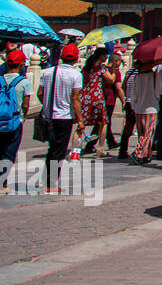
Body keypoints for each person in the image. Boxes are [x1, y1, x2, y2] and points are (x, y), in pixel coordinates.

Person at [37, 44, 83, 193]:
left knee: (52, 149)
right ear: (76, 58)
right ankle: (51, 184)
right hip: (64, 117)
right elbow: (75, 99)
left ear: (62, 56)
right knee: (59, 151)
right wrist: (80, 119)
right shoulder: (76, 75)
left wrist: (46, 106)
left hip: (48, 116)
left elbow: (40, 93)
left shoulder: (48, 72)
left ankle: (46, 180)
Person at [1, 49, 33, 194]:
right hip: (14, 121)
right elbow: (26, 104)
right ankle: (2, 183)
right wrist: (24, 117)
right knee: (9, 153)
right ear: (21, 65)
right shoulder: (24, 82)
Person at [78, 47, 112, 158]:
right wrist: (115, 69)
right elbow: (110, 80)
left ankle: (75, 150)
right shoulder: (100, 67)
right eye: (105, 55)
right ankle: (100, 148)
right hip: (96, 97)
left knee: (80, 124)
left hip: (84, 96)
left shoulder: (86, 67)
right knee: (103, 123)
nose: (106, 57)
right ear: (101, 56)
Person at [102, 52, 124, 152]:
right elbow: (118, 88)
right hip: (109, 100)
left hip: (101, 98)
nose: (121, 63)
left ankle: (111, 142)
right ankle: (91, 144)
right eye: (120, 61)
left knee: (105, 122)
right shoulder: (115, 72)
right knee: (105, 122)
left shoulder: (103, 69)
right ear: (116, 61)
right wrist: (123, 100)